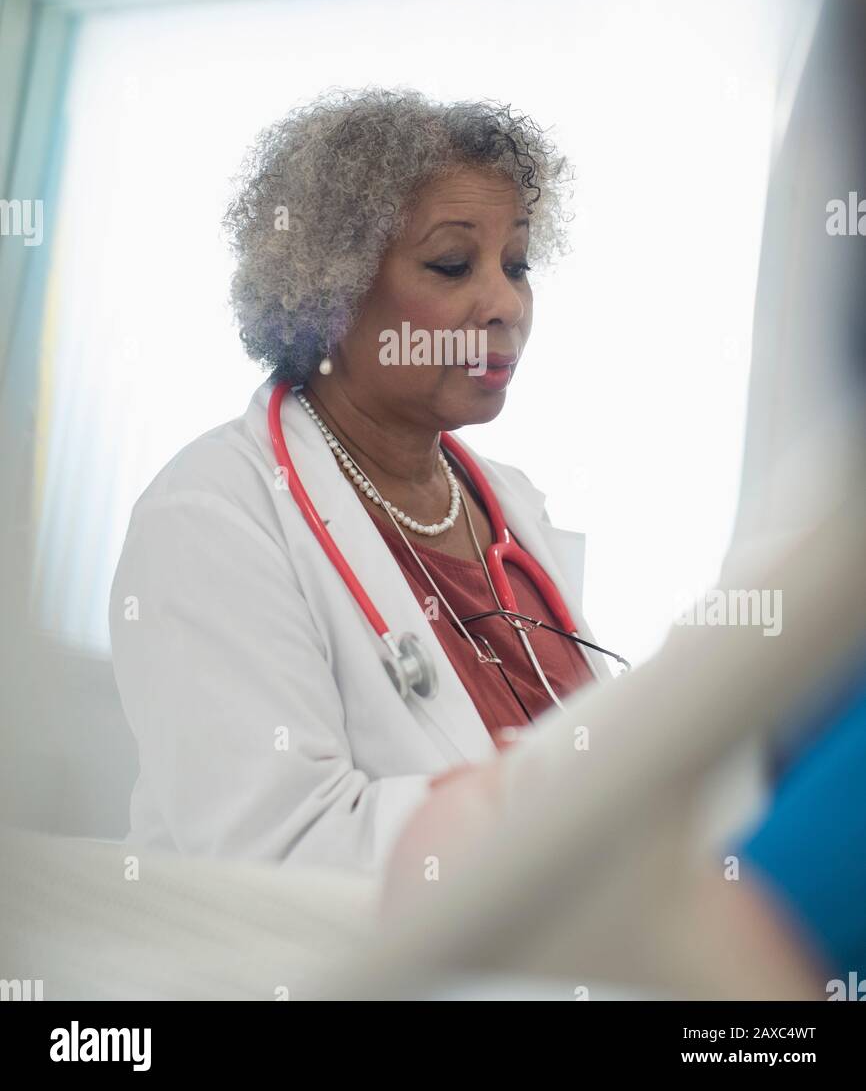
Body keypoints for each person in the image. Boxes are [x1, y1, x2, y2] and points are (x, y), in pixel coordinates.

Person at [109, 87, 615, 877]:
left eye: (517, 264)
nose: (505, 304)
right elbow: (276, 853)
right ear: (329, 291)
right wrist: (544, 806)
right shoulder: (211, 516)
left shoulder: (512, 505)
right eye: (453, 264)